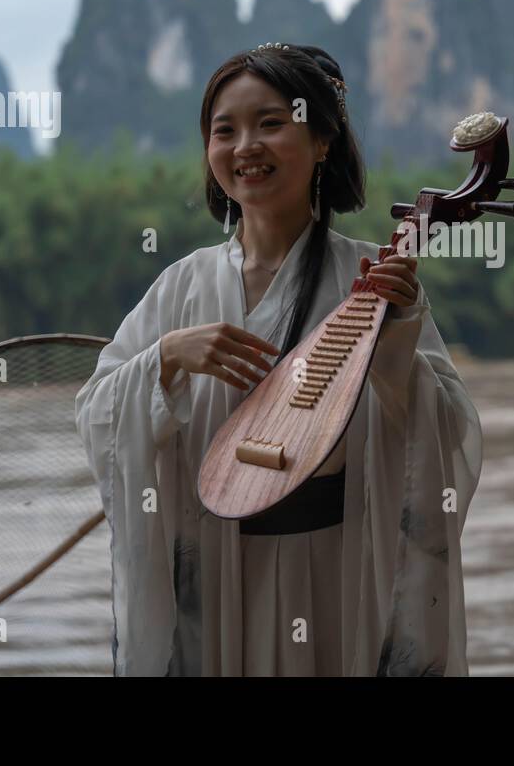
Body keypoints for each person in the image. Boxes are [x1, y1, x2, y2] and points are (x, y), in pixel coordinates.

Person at [74, 43, 483, 676]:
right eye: (224, 131)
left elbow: (447, 427)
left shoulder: (372, 278)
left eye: (270, 123)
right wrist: (165, 359)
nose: (245, 147)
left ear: (322, 139)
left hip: (337, 568)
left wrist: (397, 338)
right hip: (215, 568)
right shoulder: (181, 288)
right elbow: (96, 414)